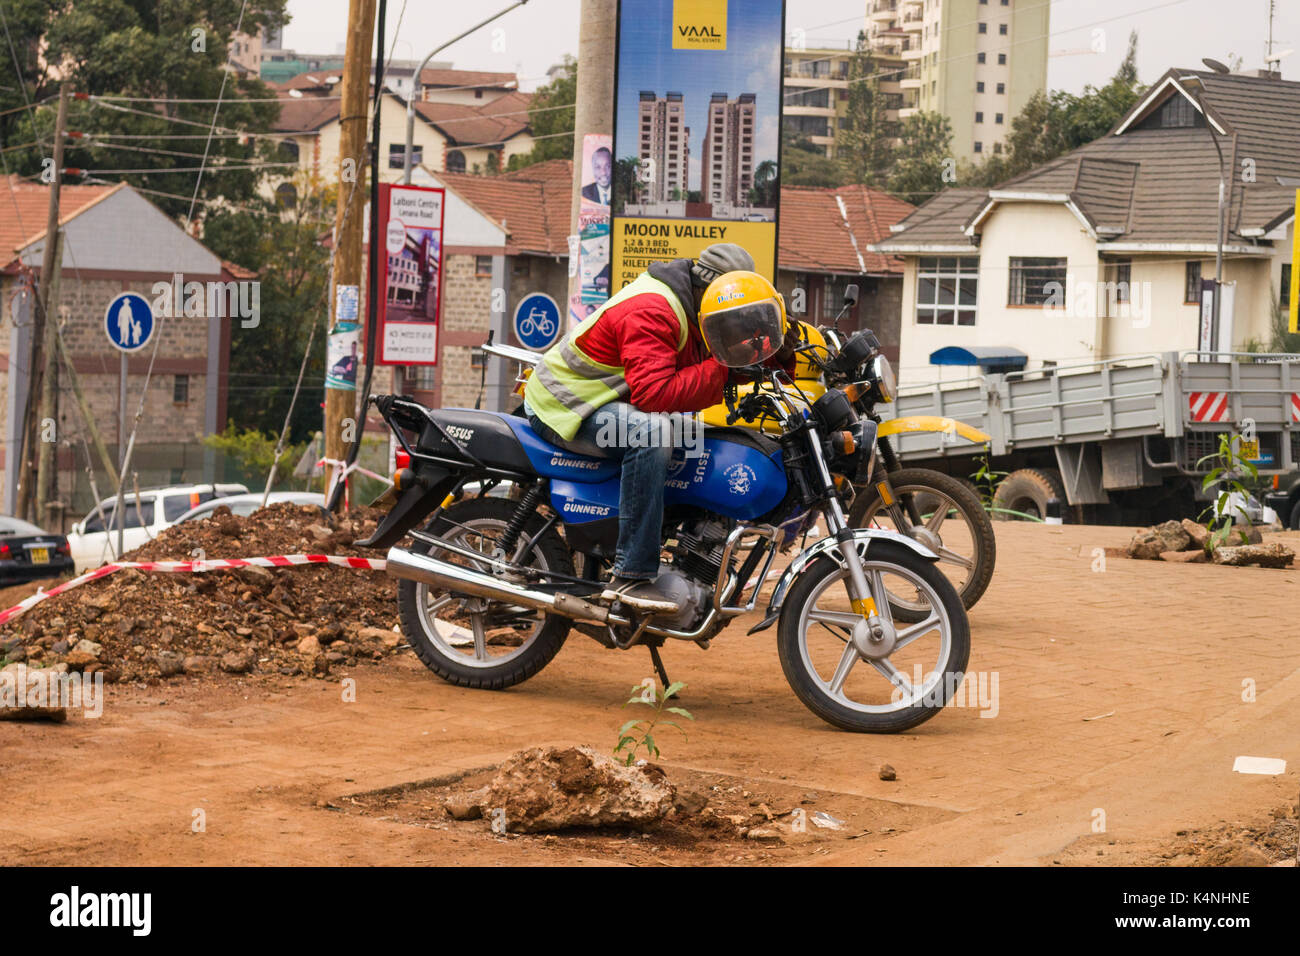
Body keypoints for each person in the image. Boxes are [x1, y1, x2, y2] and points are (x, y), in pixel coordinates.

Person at [524, 243, 799, 613]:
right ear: (708, 291)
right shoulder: (653, 309)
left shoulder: (701, 312)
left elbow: (726, 364)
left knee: (700, 437)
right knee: (652, 435)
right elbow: (654, 393)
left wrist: (776, 353)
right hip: (567, 406)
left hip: (613, 402)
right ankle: (631, 575)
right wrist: (726, 370)